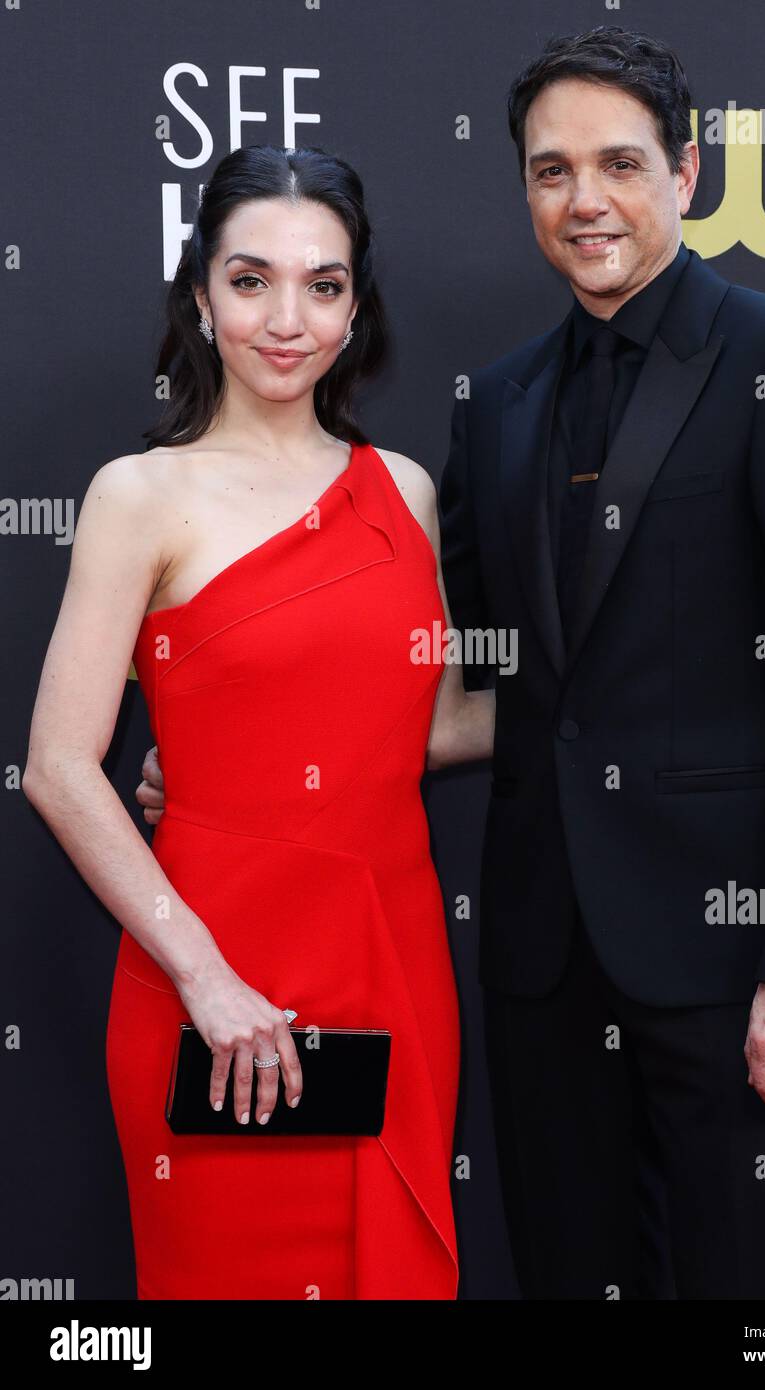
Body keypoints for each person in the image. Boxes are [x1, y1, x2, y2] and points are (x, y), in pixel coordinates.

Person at [436, 27, 765, 1298]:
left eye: (618, 164)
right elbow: (478, 669)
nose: (584, 200)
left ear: (685, 173)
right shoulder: (497, 401)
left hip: (739, 968)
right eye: (549, 171)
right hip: (545, 963)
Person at [23, 144, 493, 1300]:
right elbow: (57, 766)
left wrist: (625, 704)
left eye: (322, 285)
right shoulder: (141, 495)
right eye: (251, 280)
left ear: (354, 304)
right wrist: (207, 978)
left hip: (391, 968)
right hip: (208, 974)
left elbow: (432, 731)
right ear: (200, 293)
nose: (288, 319)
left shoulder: (405, 489)